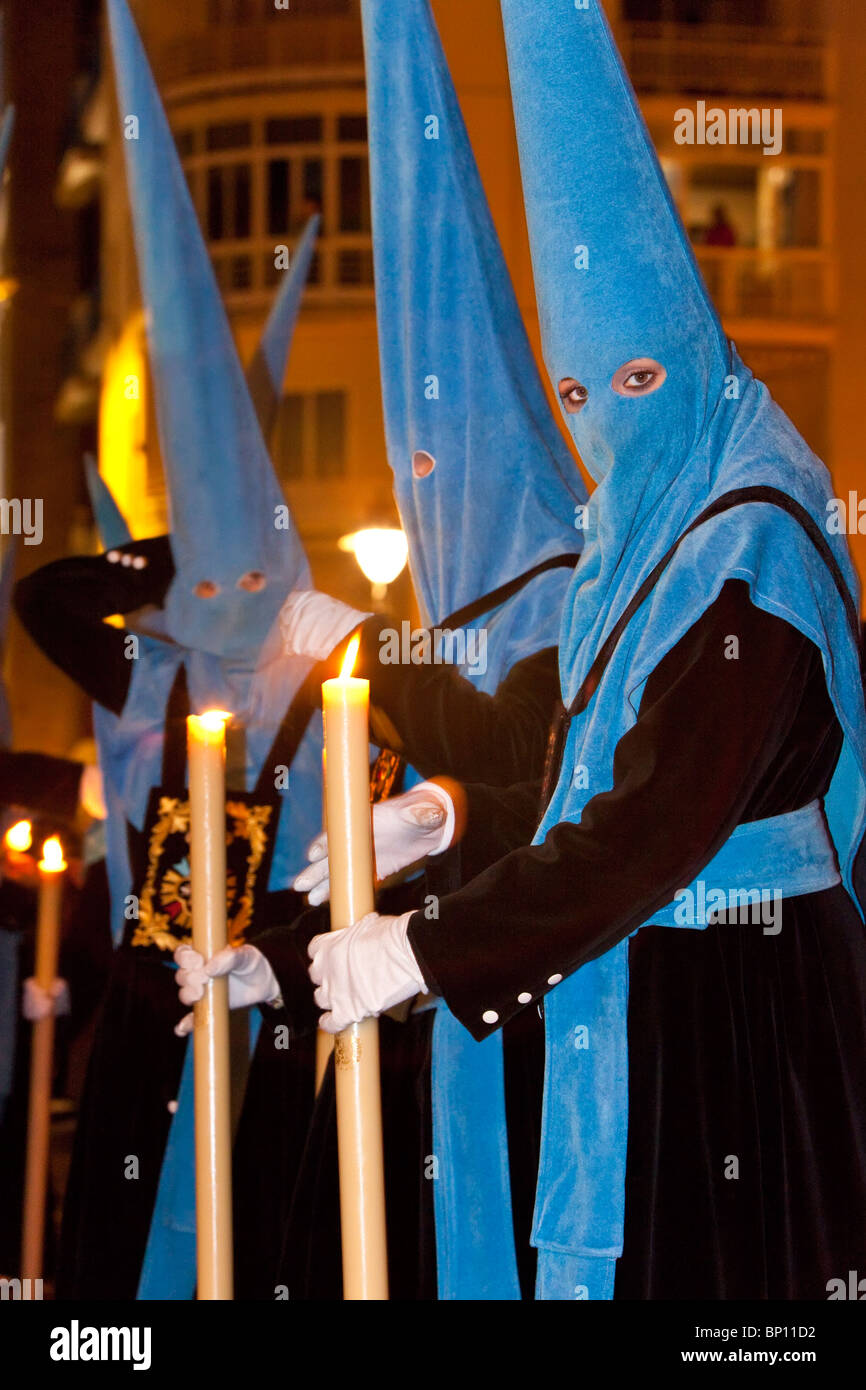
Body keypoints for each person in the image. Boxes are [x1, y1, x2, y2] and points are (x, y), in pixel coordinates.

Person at [300, 0, 866, 1301]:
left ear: (700, 361)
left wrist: (424, 949)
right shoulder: (630, 542)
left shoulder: (752, 551)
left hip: (747, 1018)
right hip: (654, 993)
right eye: (573, 395)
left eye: (637, 383)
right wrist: (441, 815)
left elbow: (653, 828)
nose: (605, 419)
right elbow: (588, 779)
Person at [176, 0, 586, 1301]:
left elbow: (514, 780)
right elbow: (316, 842)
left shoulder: (559, 617)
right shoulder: (315, 667)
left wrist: (399, 698)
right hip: (348, 1018)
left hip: (497, 1027)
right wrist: (241, 949)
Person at [13, 0, 323, 1300]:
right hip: (152, 998)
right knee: (130, 1269)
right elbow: (47, 601)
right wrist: (149, 563)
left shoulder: (321, 678)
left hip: (271, 1001)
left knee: (261, 1239)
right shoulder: (149, 668)